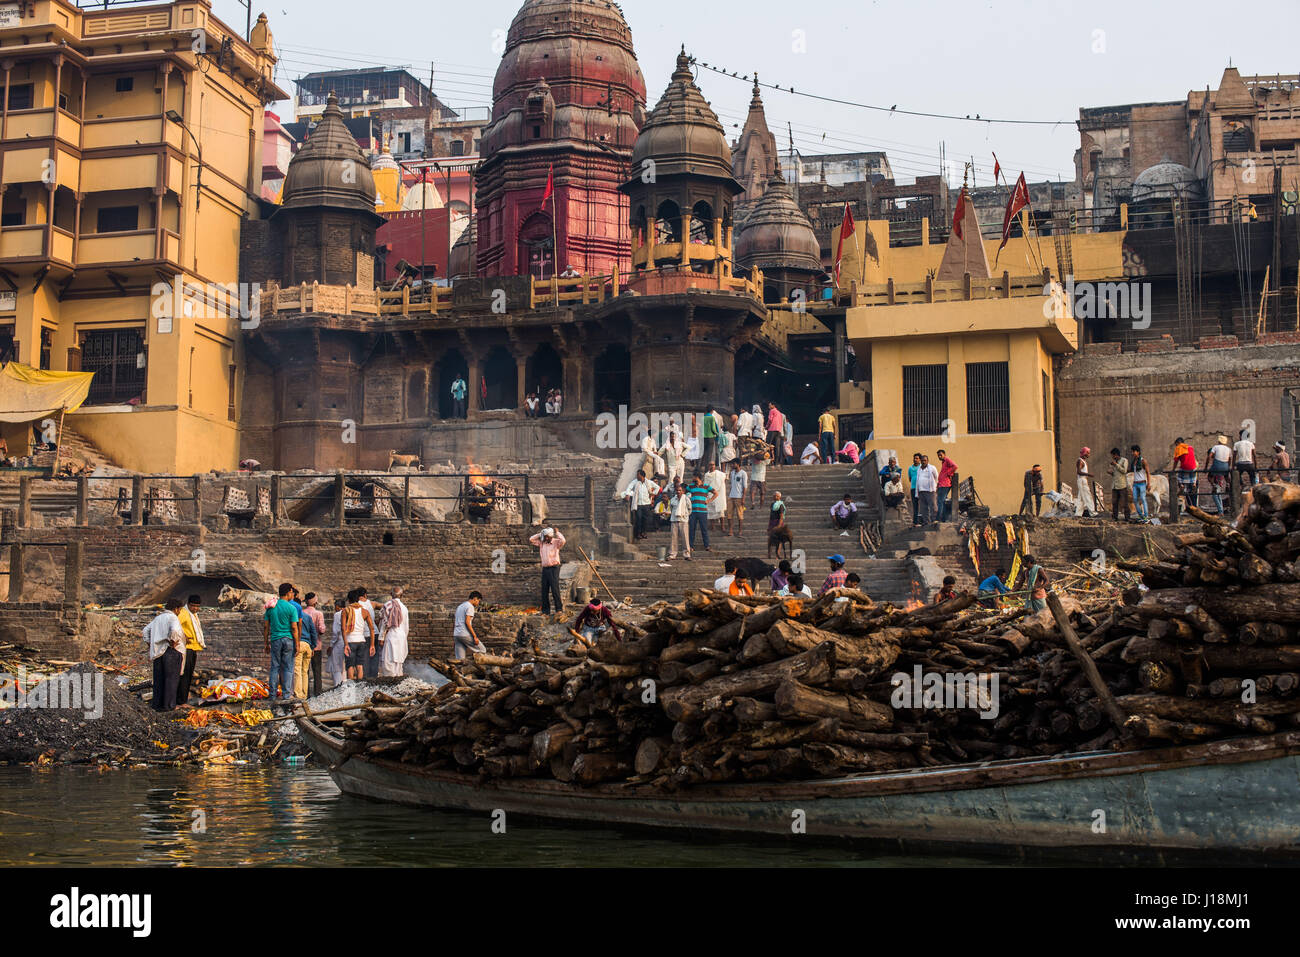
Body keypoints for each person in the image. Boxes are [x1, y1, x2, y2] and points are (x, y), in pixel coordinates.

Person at [145, 597, 186, 712]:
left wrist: (151, 644)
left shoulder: (158, 618)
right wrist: (173, 642)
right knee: (171, 680)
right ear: (176, 609)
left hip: (158, 653)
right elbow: (174, 631)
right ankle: (169, 706)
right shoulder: (173, 617)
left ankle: (157, 705)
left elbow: (145, 631)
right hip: (171, 652)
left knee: (159, 680)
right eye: (180, 610)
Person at [262, 583, 301, 701]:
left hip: (275, 640)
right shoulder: (291, 608)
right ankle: (286, 695)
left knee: (275, 667)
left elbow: (266, 627)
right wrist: (297, 644)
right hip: (288, 640)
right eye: (292, 592)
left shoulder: (271, 607)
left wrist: (266, 643)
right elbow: (294, 628)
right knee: (288, 668)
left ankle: (272, 695)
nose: (292, 594)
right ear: (289, 592)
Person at [529, 526, 567, 614]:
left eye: (547, 537)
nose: (546, 538)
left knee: (554, 589)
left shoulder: (556, 542)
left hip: (554, 568)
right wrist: (541, 533)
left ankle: (559, 609)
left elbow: (563, 541)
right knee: (544, 590)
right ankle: (546, 610)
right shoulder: (542, 543)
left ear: (551, 536)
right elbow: (531, 539)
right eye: (545, 537)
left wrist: (557, 533)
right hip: (545, 568)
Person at [176, 594, 205, 706]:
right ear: (188, 604)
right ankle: (181, 701)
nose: (195, 608)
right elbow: (175, 626)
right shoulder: (183, 613)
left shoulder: (194, 615)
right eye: (193, 606)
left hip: (192, 649)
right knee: (184, 675)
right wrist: (183, 636)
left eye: (197, 606)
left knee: (188, 675)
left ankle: (183, 699)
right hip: (185, 649)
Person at [341, 589, 375, 681]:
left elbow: (343, 629)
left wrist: (346, 644)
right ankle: (359, 687)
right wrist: (372, 645)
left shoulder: (346, 611)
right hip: (361, 641)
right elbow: (372, 628)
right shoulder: (365, 612)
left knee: (350, 666)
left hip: (350, 641)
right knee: (359, 666)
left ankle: (350, 689)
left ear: (349, 600)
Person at [378, 586, 410, 678]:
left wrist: (381, 637)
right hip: (401, 635)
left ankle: (390, 681)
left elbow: (384, 623)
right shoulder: (404, 608)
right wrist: (404, 638)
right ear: (402, 595)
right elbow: (406, 626)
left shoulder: (387, 605)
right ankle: (398, 679)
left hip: (391, 634)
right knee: (398, 662)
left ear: (391, 594)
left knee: (389, 661)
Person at [622, 469, 659, 542]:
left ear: (641, 475)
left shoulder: (648, 482)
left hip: (646, 504)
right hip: (638, 504)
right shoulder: (635, 482)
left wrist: (653, 493)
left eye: (638, 474)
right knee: (638, 519)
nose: (637, 476)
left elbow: (657, 487)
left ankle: (644, 533)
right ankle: (638, 533)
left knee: (645, 519)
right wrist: (627, 494)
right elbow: (629, 488)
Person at [293, 589, 317, 699]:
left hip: (299, 643)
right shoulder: (307, 617)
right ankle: (304, 693)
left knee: (297, 669)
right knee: (305, 671)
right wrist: (313, 647)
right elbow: (313, 632)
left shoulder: (294, 616)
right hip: (308, 645)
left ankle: (298, 694)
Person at [302, 593, 327, 697]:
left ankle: (305, 693)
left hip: (304, 644)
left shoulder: (302, 613)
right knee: (317, 671)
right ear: (315, 602)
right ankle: (318, 694)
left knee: (305, 671)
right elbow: (322, 629)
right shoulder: (318, 614)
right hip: (316, 645)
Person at [687, 471, 715, 552]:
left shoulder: (706, 486)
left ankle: (706, 546)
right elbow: (684, 492)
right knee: (692, 529)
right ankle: (690, 546)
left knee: (704, 529)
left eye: (694, 477)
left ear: (697, 477)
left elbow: (716, 493)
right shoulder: (691, 487)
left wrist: (709, 500)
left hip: (703, 511)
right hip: (693, 511)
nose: (692, 478)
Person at [358, 587, 382, 679]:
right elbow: (385, 606)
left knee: (365, 658)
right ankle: (374, 678)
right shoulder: (372, 603)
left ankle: (366, 678)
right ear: (365, 595)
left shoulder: (356, 605)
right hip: (375, 633)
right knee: (374, 657)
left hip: (364, 634)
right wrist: (380, 620)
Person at [453, 591, 485, 660]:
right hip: (465, 634)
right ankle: (474, 667)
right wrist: (475, 636)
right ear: (475, 598)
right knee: (483, 650)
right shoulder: (470, 607)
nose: (478, 603)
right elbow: (467, 622)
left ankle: (460, 670)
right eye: (478, 601)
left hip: (456, 634)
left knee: (460, 659)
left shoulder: (460, 606)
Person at [668, 479, 692, 561]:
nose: (678, 492)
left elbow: (689, 509)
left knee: (685, 538)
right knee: (673, 538)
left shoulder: (686, 499)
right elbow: (671, 509)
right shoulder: (673, 499)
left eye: (680, 490)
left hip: (683, 520)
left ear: (683, 491)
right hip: (674, 520)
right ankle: (672, 554)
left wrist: (685, 516)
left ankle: (687, 554)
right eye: (677, 490)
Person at [1207, 435, 1232, 515]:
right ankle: (1227, 484)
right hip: (1225, 469)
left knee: (1215, 494)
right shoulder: (1228, 449)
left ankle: (1220, 511)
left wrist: (1205, 467)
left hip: (1217, 471)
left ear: (1219, 441)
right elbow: (1230, 459)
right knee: (1218, 493)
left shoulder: (1215, 447)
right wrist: (1228, 468)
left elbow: (1209, 457)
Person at [724, 460, 748, 536]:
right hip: (731, 496)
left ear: (738, 464)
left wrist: (743, 498)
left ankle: (740, 531)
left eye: (733, 464)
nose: (732, 465)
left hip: (739, 497)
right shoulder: (732, 473)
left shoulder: (743, 473)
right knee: (729, 514)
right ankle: (730, 530)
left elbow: (745, 487)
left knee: (740, 515)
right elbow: (732, 485)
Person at [1172, 437, 1198, 509]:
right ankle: (1193, 483)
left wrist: (1173, 469)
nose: (1176, 446)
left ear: (1178, 443)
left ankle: (1182, 486)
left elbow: (1176, 461)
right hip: (1193, 467)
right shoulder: (1190, 447)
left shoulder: (1178, 448)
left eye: (1176, 444)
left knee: (1179, 477)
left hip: (1185, 468)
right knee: (1194, 474)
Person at [915, 454, 940, 525]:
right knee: (923, 508)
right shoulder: (919, 469)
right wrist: (917, 492)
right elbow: (917, 480)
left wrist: (935, 488)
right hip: (921, 491)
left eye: (925, 460)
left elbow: (936, 478)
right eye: (922, 460)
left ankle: (934, 520)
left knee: (933, 506)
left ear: (928, 461)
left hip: (930, 491)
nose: (923, 462)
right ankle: (927, 522)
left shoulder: (932, 468)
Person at [1107, 448, 1131, 521]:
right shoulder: (1114, 462)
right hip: (1115, 485)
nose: (1112, 457)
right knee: (1114, 502)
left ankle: (1127, 517)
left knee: (1124, 503)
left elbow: (1124, 471)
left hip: (1122, 485)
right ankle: (1115, 517)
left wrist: (1116, 465)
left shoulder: (1124, 460)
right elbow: (1115, 473)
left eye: (1113, 456)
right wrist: (1110, 472)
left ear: (1116, 455)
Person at [328, 597, 346, 688]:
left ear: (338, 607)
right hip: (348, 640)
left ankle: (338, 686)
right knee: (344, 666)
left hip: (339, 641)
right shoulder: (349, 612)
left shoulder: (338, 614)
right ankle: (345, 686)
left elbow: (336, 632)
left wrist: (331, 645)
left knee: (337, 666)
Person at [705, 460, 727, 532]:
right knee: (711, 511)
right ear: (708, 466)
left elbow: (723, 481)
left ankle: (722, 526)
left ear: (715, 465)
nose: (712, 466)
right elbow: (706, 485)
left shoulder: (720, 474)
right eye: (710, 465)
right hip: (710, 495)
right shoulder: (706, 475)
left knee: (721, 512)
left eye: (713, 464)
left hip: (719, 494)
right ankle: (713, 526)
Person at [936, 450, 958, 522]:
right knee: (941, 501)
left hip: (945, 484)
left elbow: (955, 466)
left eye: (941, 455)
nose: (939, 456)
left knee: (940, 501)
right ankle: (943, 518)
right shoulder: (943, 462)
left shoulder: (947, 459)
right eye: (938, 455)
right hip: (942, 484)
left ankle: (940, 518)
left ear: (944, 454)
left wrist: (948, 473)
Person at [1130, 445, 1150, 521]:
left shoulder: (1143, 461)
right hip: (1135, 483)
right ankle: (1141, 515)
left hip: (1142, 483)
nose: (1132, 453)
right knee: (1135, 499)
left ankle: (1146, 515)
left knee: (1143, 499)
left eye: (1133, 451)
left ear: (1138, 452)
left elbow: (1148, 472)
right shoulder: (1134, 461)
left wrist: (1149, 483)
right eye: (1132, 451)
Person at [1075, 447, 1096, 517]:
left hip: (1083, 480)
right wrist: (1088, 474)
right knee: (1087, 496)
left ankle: (1078, 514)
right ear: (1085, 453)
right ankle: (1093, 513)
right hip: (1082, 480)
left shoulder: (1083, 461)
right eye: (1088, 453)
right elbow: (1079, 472)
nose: (1089, 454)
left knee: (1081, 498)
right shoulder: (1080, 461)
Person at [908, 453, 922, 525]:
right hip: (913, 488)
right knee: (915, 505)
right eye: (914, 458)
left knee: (923, 505)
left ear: (920, 460)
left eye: (917, 458)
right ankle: (915, 522)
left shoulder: (922, 467)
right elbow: (910, 479)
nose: (915, 459)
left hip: (921, 489)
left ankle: (923, 521)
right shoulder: (910, 468)